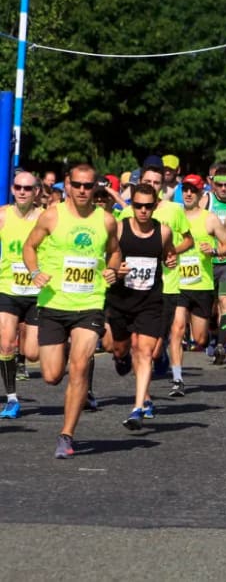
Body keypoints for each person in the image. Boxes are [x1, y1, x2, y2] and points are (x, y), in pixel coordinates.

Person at [22, 163, 121, 458]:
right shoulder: (52, 215)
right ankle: (68, 350)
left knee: (79, 366)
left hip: (89, 304)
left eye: (88, 186)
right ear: (68, 184)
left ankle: (66, 436)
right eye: (77, 184)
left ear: (95, 188)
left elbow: (115, 251)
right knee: (51, 375)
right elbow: (29, 247)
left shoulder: (106, 220)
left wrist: (113, 269)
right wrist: (34, 272)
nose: (82, 190)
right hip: (54, 303)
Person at [107, 184, 177, 429]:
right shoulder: (119, 228)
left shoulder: (163, 232)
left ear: (155, 206)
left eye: (148, 206)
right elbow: (105, 257)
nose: (143, 211)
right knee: (120, 348)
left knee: (144, 351)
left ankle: (138, 407)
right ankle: (121, 358)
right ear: (132, 206)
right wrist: (115, 269)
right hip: (120, 301)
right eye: (138, 206)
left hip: (150, 301)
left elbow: (169, 253)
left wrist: (171, 259)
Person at [168, 175, 226, 396]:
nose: (188, 194)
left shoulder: (210, 219)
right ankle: (177, 379)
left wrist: (213, 251)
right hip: (177, 283)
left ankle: (209, 340)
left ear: (200, 194)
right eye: (185, 189)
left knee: (200, 338)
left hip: (201, 284)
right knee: (177, 329)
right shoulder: (174, 215)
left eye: (193, 190)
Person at [0, 173, 43, 419]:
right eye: (18, 187)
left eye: (28, 188)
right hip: (8, 288)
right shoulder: (3, 216)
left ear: (36, 191)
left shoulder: (46, 218)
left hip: (37, 291)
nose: (22, 191)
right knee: (6, 343)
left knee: (33, 352)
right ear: (12, 189)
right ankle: (12, 399)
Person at [201, 164, 226, 365]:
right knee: (210, 309)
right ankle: (212, 336)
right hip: (207, 262)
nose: (224, 189)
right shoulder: (207, 200)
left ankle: (221, 345)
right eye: (220, 185)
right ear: (213, 184)